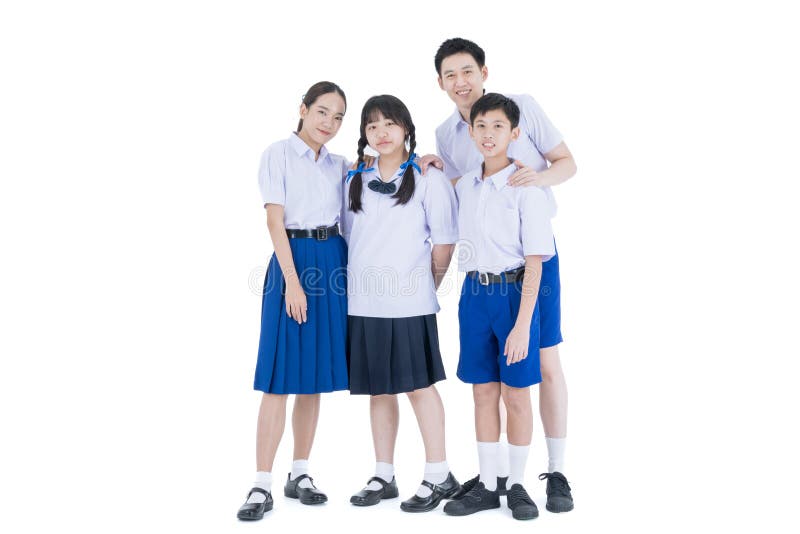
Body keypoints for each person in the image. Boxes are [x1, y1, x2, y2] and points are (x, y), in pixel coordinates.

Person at [434, 37, 576, 513]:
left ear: (484, 72)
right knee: (485, 384)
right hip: (483, 272)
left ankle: (554, 471)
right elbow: (460, 189)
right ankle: (494, 475)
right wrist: (429, 167)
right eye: (451, 74)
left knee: (544, 364)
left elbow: (567, 162)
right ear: (441, 82)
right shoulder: (447, 133)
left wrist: (532, 178)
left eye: (467, 71)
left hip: (533, 259)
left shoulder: (522, 108)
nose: (461, 81)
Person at [342, 95, 462, 513]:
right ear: (364, 133)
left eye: (390, 123)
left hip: (410, 302)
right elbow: (350, 236)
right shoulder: (354, 178)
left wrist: (426, 286)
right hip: (363, 303)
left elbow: (444, 242)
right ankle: (384, 474)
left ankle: (439, 473)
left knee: (418, 387)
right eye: (372, 125)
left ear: (406, 128)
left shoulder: (427, 177)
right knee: (378, 390)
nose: (381, 132)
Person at [237, 81, 351, 521]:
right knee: (278, 377)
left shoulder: (340, 165)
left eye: (338, 117)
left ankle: (299, 473)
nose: (329, 123)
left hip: (333, 259)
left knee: (313, 376)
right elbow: (274, 220)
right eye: (322, 112)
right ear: (303, 109)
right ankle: (261, 483)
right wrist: (292, 282)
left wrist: (425, 159)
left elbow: (387, 168)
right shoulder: (278, 154)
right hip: (293, 259)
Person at [442, 93, 554, 520]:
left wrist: (523, 325)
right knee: (482, 391)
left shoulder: (526, 187)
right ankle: (489, 484)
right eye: (481, 126)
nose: (488, 134)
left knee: (517, 394)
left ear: (514, 133)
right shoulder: (465, 186)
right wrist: (429, 163)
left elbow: (535, 262)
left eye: (498, 126)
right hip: (474, 294)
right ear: (470, 132)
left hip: (513, 294)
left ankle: (518, 483)